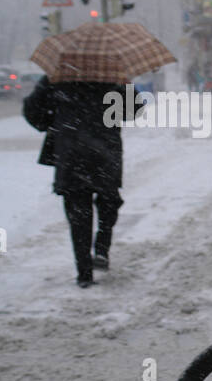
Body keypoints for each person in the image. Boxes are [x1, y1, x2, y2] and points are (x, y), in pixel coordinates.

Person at [23, 76, 143, 287]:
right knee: (109, 200)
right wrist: (125, 87)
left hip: (70, 152)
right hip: (104, 151)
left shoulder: (56, 77)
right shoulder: (111, 76)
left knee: (78, 212)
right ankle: (102, 247)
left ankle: (84, 271)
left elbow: (33, 112)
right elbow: (134, 111)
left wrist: (53, 121)